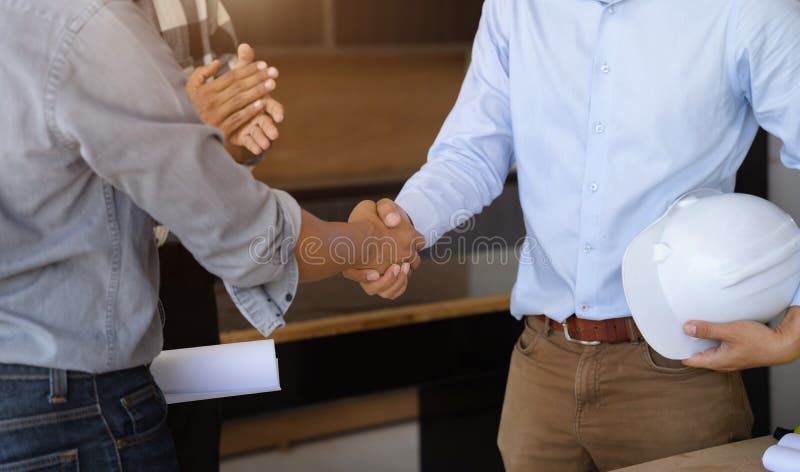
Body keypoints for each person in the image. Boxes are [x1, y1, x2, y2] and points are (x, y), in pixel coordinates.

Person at [345, 0, 800, 470]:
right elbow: (471, 155)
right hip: (541, 363)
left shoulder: (746, 9)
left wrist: (797, 325)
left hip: (677, 373)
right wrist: (400, 227)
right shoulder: (514, 7)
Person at [0, 0, 420, 470]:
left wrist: (219, 146)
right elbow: (238, 227)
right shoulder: (90, 25)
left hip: (171, 299)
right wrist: (367, 242)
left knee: (196, 446)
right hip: (80, 400)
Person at [135, 1, 281, 469]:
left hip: (188, 277)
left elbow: (222, 116)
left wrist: (237, 135)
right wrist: (186, 130)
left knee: (195, 449)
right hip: (96, 284)